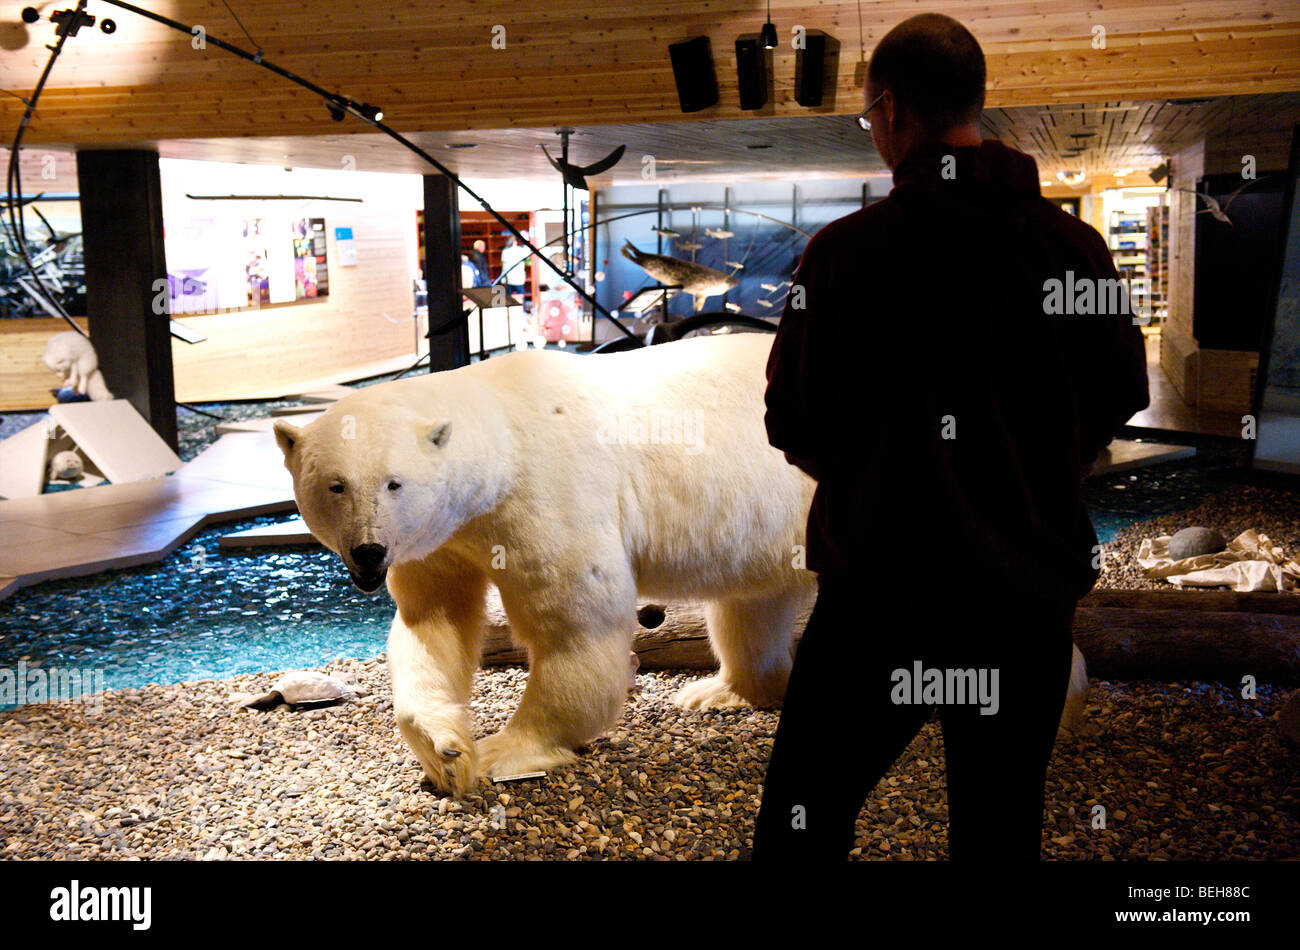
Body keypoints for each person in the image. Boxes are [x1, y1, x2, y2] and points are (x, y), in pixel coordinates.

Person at [752, 12, 1148, 861]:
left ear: (892, 111)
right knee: (999, 836)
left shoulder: (844, 257)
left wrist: (877, 477)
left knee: (802, 821)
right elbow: (1122, 398)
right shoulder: (1075, 253)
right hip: (1023, 601)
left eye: (868, 121)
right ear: (975, 105)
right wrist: (1035, 467)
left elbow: (790, 420)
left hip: (877, 604)